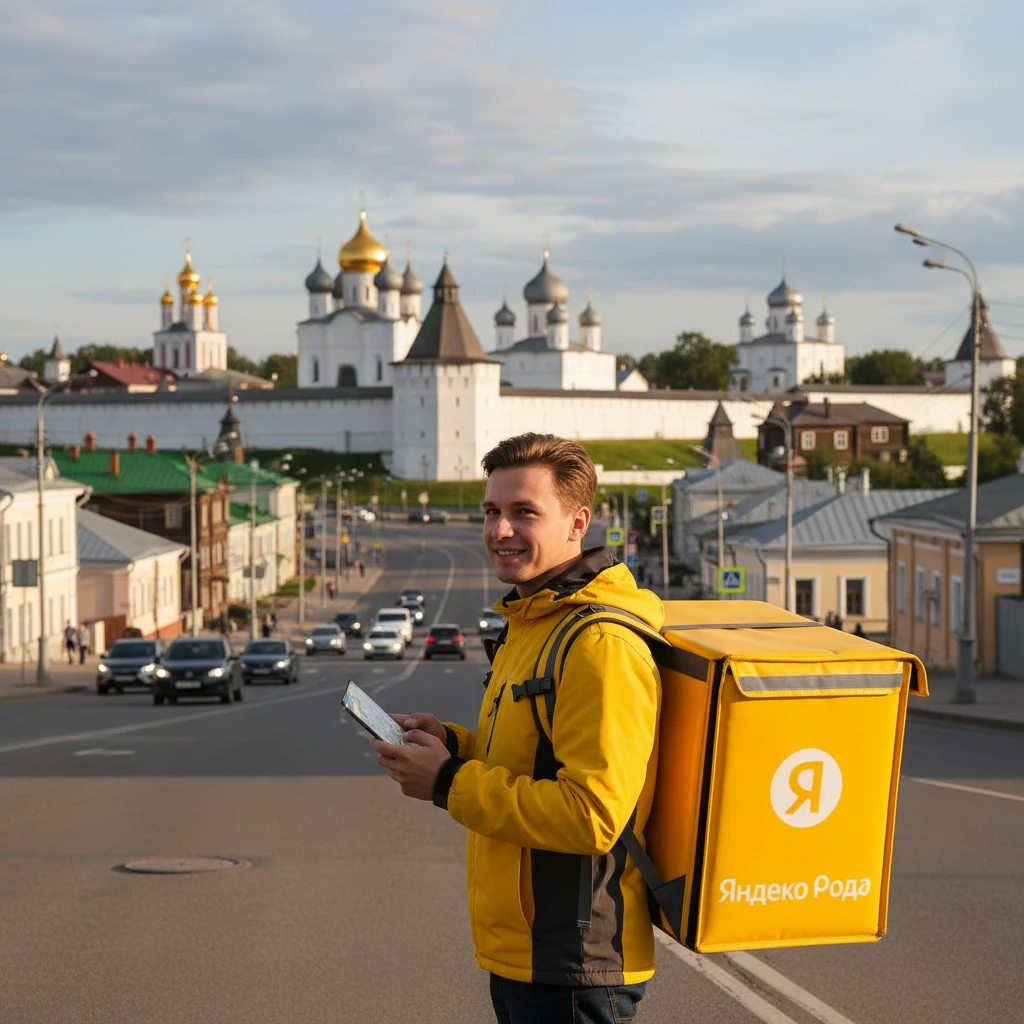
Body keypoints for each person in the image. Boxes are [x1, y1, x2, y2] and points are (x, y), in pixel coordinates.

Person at [370, 433, 663, 1023]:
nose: (500, 530)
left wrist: (448, 781)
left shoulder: (598, 643)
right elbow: (534, 755)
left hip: (572, 963)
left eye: (524, 512)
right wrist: (452, 744)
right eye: (491, 511)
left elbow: (593, 814)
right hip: (526, 954)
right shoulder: (533, 620)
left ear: (578, 521)